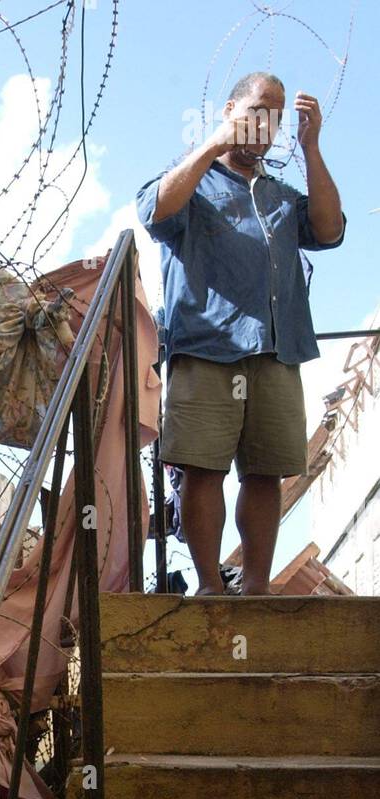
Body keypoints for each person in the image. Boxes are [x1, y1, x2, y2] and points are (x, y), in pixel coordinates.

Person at [136, 73, 345, 595]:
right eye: (256, 110)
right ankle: (210, 586)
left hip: (276, 350)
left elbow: (328, 229)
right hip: (206, 348)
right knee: (202, 469)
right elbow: (152, 211)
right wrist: (213, 143)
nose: (264, 124)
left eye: (274, 116)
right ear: (231, 108)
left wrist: (312, 147)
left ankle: (254, 589)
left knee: (265, 472)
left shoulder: (277, 195)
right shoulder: (193, 181)